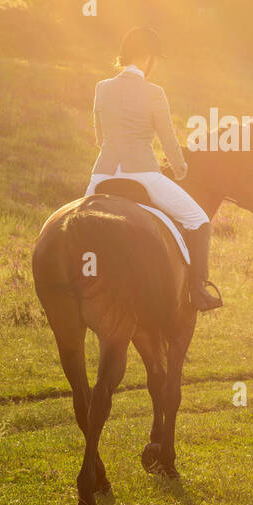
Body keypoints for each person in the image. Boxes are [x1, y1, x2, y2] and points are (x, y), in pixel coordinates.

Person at [85, 27, 223, 311]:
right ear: (147, 58)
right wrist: (180, 168)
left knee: (74, 222)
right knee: (198, 220)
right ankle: (198, 291)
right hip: (143, 174)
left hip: (102, 174)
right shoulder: (155, 92)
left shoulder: (102, 88)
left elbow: (100, 139)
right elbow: (169, 141)